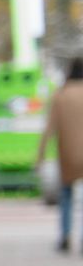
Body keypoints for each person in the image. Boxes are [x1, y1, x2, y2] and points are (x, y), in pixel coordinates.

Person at [37, 57, 83, 253]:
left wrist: (40, 154)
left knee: (66, 195)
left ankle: (65, 235)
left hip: (68, 154)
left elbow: (50, 127)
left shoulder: (61, 95)